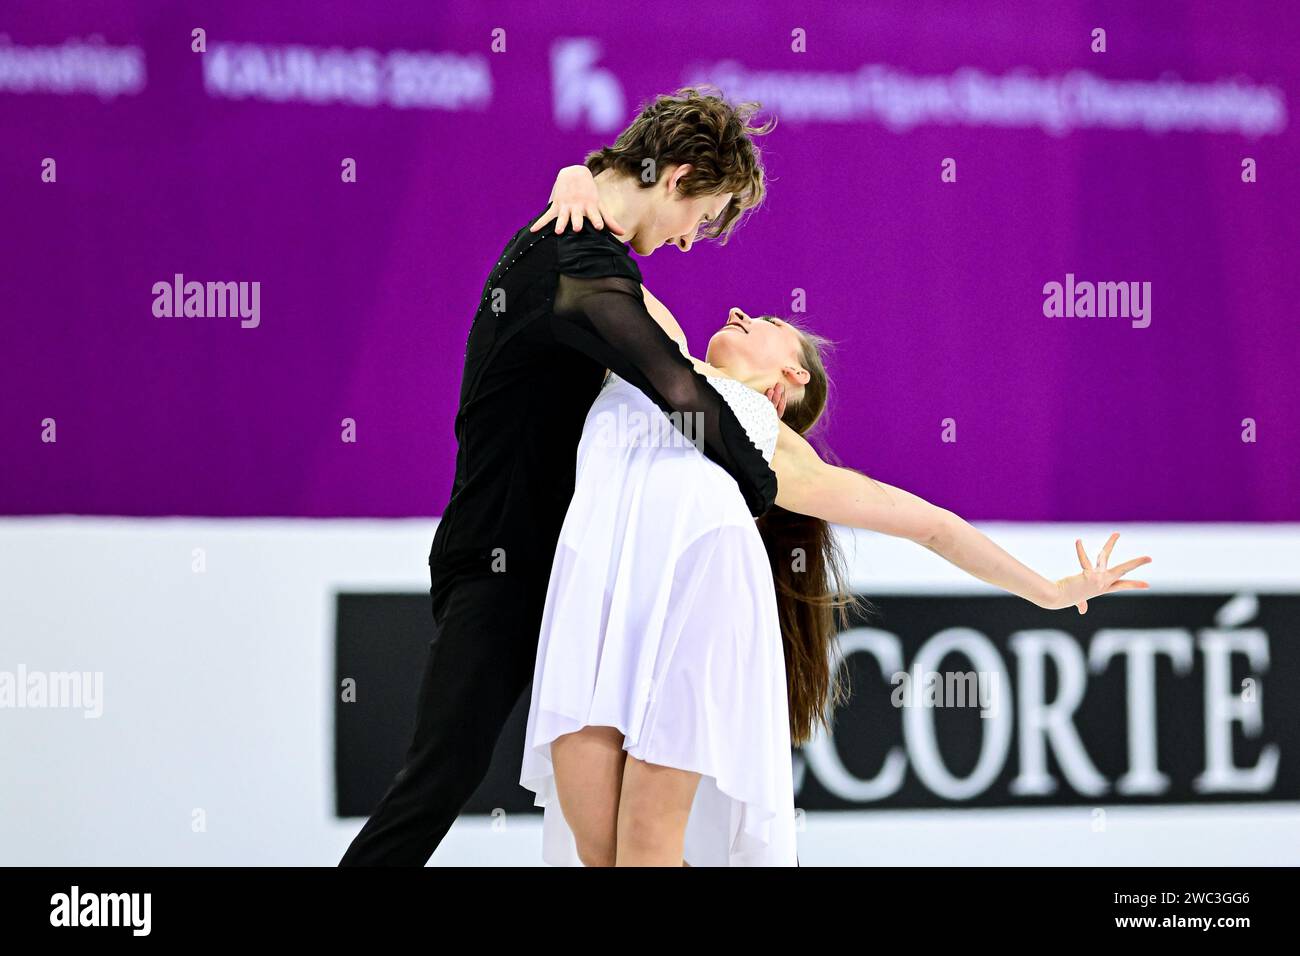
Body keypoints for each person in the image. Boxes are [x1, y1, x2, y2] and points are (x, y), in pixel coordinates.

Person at [517, 174, 1153, 868]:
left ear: (788, 380)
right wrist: (576, 176)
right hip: (598, 599)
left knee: (643, 847)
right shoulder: (657, 350)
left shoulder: (766, 437)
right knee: (595, 848)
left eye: (767, 324)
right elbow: (593, 255)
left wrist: (1050, 590)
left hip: (695, 609)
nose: (738, 310)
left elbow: (931, 524)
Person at [339, 88, 780, 866]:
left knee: (608, 834)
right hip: (500, 564)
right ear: (675, 178)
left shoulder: (572, 237)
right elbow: (678, 389)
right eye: (700, 218)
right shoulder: (581, 267)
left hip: (546, 564)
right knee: (434, 786)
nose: (687, 243)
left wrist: (575, 171)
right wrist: (759, 484)